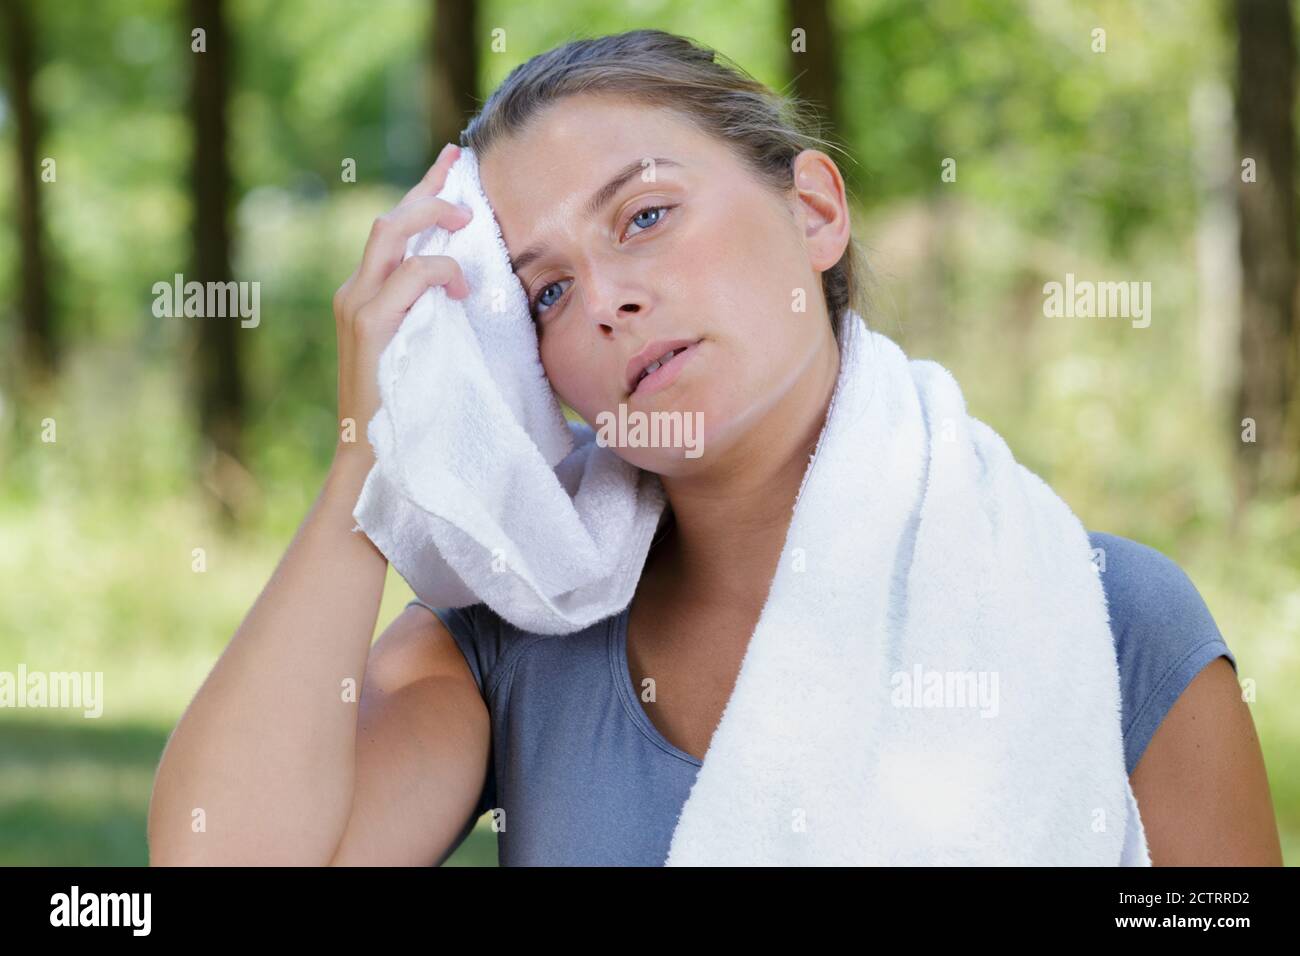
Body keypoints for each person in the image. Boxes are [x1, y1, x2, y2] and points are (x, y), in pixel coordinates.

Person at [147, 29, 1283, 867]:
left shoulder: (1109, 618)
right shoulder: (510, 647)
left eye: (643, 216)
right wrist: (373, 452)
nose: (605, 301)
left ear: (814, 212)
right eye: (544, 292)